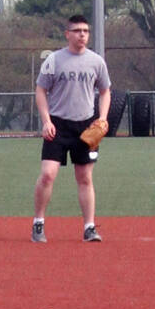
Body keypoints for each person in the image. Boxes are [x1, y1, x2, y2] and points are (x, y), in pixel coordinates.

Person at [31, 13, 111, 243]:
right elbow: (40, 91)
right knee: (47, 175)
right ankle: (38, 223)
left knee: (85, 177)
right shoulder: (54, 60)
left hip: (85, 127)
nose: (82, 35)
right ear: (68, 34)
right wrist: (46, 121)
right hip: (57, 124)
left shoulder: (96, 61)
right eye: (77, 31)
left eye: (85, 31)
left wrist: (103, 117)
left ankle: (89, 227)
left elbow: (105, 90)